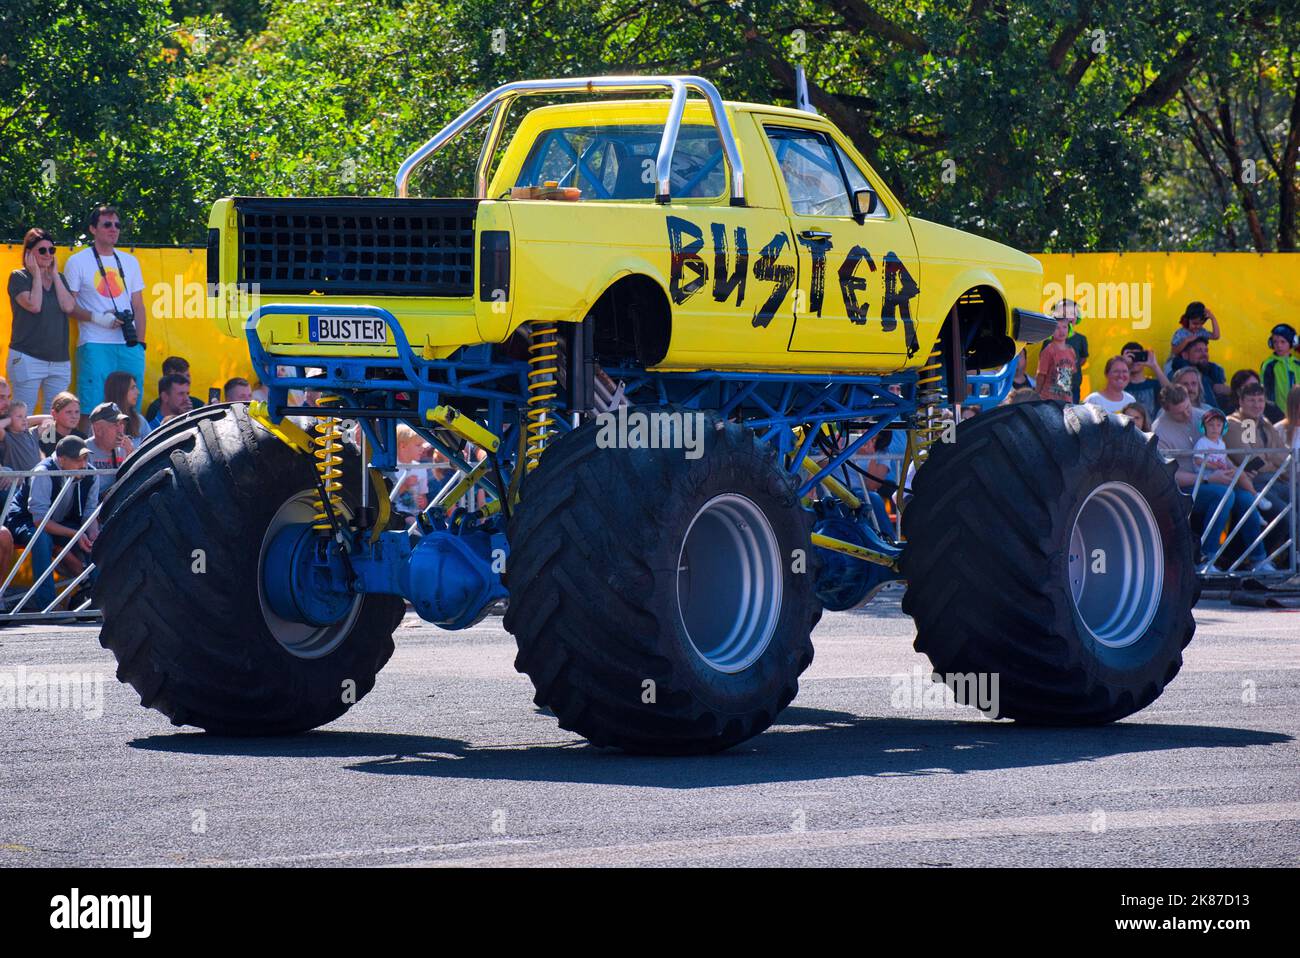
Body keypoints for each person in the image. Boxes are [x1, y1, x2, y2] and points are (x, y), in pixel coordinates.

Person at [1153, 384, 1277, 573]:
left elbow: (1220, 451)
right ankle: (1207, 558)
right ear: (1166, 409)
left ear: (1189, 399)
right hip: (1185, 487)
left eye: (1187, 408)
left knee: (1246, 498)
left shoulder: (1202, 415)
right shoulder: (1160, 430)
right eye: (1179, 413)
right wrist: (1206, 479)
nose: (1187, 415)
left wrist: (1232, 470)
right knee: (1222, 495)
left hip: (1216, 477)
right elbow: (1168, 474)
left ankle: (1258, 559)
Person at [62, 206, 147, 410]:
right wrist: (99, 318)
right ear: (93, 229)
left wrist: (140, 344)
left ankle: (131, 443)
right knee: (92, 406)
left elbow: (139, 305)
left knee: (131, 407)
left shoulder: (130, 261)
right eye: (107, 224)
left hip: (129, 343)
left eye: (117, 225)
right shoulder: (77, 261)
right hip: (94, 342)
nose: (113, 229)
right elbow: (68, 306)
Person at [3, 435, 99, 609]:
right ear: (61, 460)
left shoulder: (90, 474)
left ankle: (102, 600)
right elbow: (40, 522)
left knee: (96, 540)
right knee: (41, 539)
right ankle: (47, 605)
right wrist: (77, 534)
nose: (84, 465)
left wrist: (91, 532)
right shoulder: (43, 472)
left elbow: (90, 513)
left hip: (61, 521)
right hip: (26, 520)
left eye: (86, 458)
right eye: (78, 460)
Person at [7, 228, 75, 412]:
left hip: (59, 361)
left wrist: (54, 275)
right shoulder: (18, 277)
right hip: (27, 358)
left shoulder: (58, 278)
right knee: (22, 416)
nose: (48, 254)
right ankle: (22, 443)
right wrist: (37, 274)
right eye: (42, 250)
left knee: (54, 418)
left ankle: (48, 443)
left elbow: (69, 307)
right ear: (28, 253)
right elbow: (34, 305)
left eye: (51, 250)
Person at [1225, 383, 1290, 505]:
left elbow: (1285, 455)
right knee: (1287, 518)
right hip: (1256, 484)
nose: (1257, 405)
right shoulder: (1233, 424)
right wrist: (1275, 464)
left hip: (1279, 480)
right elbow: (1251, 462)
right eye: (1251, 400)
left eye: (1260, 400)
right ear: (1241, 401)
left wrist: (1271, 461)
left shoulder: (1265, 422)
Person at [1195, 408, 1268, 507]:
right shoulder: (1202, 442)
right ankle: (1256, 499)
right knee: (1236, 480)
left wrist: (1233, 469)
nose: (1215, 428)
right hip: (1208, 475)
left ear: (1223, 428)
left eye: (1218, 425)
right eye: (1211, 425)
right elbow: (1198, 460)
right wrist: (1213, 466)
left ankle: (1256, 497)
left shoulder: (1221, 444)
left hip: (1221, 472)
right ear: (1203, 427)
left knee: (1240, 473)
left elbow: (1224, 460)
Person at [84, 402, 131, 498]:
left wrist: (131, 454)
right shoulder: (83, 450)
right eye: (115, 425)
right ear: (98, 429)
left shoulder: (125, 449)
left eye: (122, 424)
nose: (120, 430)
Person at [1170, 335, 1229, 410]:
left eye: (1206, 351)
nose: (1204, 354)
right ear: (1185, 355)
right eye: (1198, 350)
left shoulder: (1213, 370)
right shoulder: (1179, 374)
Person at [143, 356, 205, 422]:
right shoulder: (155, 408)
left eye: (188, 376)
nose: (188, 380)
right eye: (180, 394)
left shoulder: (195, 402)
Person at [1166, 301, 1221, 372]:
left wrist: (1212, 317)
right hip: (1175, 368)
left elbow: (1216, 336)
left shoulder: (1200, 332)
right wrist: (1186, 341)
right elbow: (1174, 351)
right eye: (1194, 323)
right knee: (1186, 366)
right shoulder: (1180, 333)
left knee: (1216, 369)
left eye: (1201, 324)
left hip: (1193, 366)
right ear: (1187, 320)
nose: (1197, 326)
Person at [1120, 341, 1169, 420]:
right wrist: (1125, 367)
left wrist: (1154, 366)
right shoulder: (1120, 386)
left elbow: (1173, 395)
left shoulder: (1154, 384)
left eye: (1138, 356)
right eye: (1130, 357)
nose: (1134, 360)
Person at [1035, 314, 1078, 402]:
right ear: (1051, 331)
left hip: (1066, 400)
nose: (1061, 331)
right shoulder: (1049, 350)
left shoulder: (1071, 350)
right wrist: (1037, 395)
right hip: (1049, 399)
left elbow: (1070, 375)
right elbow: (1041, 375)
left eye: (1064, 327)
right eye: (1057, 328)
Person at [1052, 299, 1088, 401]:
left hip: (1074, 388)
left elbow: (1082, 359)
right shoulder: (1050, 339)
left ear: (1077, 317)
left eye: (1071, 313)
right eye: (1063, 314)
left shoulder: (1081, 339)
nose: (1067, 317)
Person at [1260, 323, 1300, 415]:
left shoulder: (1297, 364)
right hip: (1277, 413)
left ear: (1292, 342)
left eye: (1283, 342)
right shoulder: (1269, 364)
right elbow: (1265, 388)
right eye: (1275, 342)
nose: (1279, 345)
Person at [29, 391, 85, 456]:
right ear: (54, 413)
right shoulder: (44, 437)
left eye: (77, 412)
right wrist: (48, 418)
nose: (74, 416)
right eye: (69, 412)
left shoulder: (81, 438)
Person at [102, 370, 151, 443]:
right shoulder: (100, 422)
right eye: (132, 388)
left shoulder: (140, 421)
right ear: (120, 391)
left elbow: (151, 447)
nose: (138, 392)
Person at [0, 401, 43, 472]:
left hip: (36, 480)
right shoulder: (7, 437)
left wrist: (26, 421)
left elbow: (49, 419)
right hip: (18, 481)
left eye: (25, 416)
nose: (24, 419)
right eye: (19, 416)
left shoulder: (32, 433)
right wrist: (10, 420)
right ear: (9, 419)